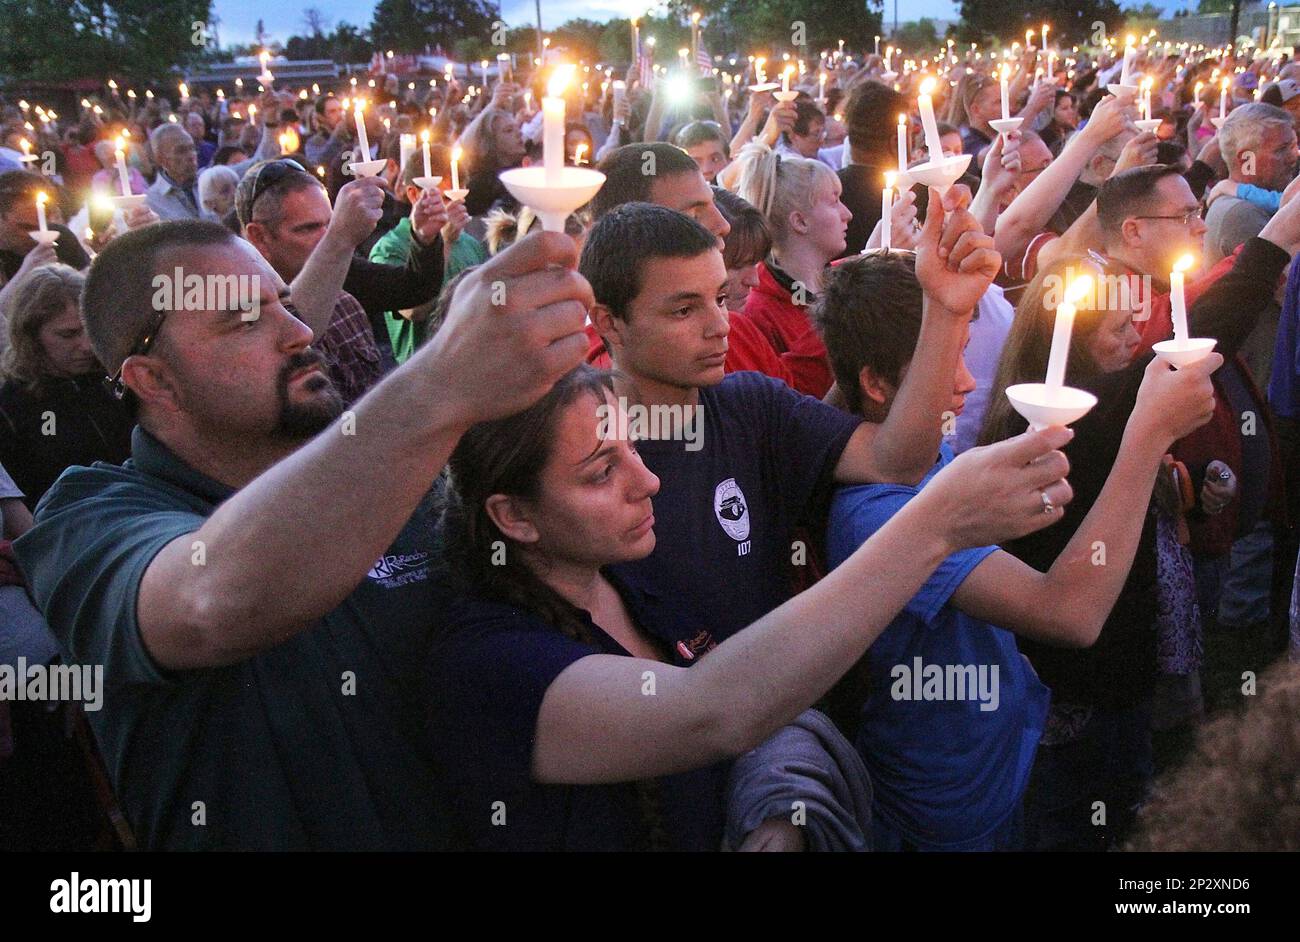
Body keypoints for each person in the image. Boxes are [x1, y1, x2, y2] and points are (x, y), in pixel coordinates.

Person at [13, 219, 598, 850]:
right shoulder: (88, 517)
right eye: (242, 320)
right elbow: (213, 603)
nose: (298, 333)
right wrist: (440, 382)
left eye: (286, 305)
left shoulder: (398, 471)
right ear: (152, 379)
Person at [427, 364, 1076, 850]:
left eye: (635, 448)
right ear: (513, 515)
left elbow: (766, 696)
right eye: (601, 472)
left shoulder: (631, 585)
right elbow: (713, 711)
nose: (647, 480)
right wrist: (935, 522)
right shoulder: (491, 663)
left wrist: (777, 811)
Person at [816, 249, 1217, 850]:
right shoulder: (878, 512)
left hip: (1001, 762)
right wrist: (1147, 433)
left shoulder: (925, 451)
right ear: (876, 383)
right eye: (945, 364)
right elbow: (1068, 613)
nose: (969, 382)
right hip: (951, 806)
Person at [979, 191, 1300, 847]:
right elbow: (1207, 326)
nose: (1137, 338)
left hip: (1124, 667)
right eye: (1118, 331)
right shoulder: (1073, 415)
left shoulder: (1083, 408)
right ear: (1062, 339)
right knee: (1097, 820)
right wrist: (1277, 236)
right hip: (1089, 687)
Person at [581, 188, 1000, 645]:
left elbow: (896, 460)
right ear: (609, 323)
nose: (719, 324)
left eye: (720, 299)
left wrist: (946, 309)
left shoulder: (752, 407)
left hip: (790, 706)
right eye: (684, 309)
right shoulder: (578, 453)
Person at [235, 157, 449, 377]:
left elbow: (415, 288)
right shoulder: (238, 308)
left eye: (331, 223)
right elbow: (290, 336)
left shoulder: (346, 276)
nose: (326, 236)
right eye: (308, 228)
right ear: (259, 236)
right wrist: (341, 237)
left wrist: (424, 238)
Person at [0, 264, 132, 509]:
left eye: (88, 330)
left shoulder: (121, 376)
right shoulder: (11, 408)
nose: (86, 346)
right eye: (68, 334)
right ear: (32, 335)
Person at [733, 140, 852, 397]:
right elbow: (790, 401)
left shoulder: (843, 279)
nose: (847, 214)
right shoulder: (759, 313)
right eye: (834, 202)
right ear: (800, 221)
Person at [369, 153, 483, 364]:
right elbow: (414, 311)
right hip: (423, 373)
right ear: (414, 195)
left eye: (459, 199)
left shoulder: (471, 244)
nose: (454, 209)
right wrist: (444, 242)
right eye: (446, 199)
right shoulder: (389, 248)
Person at [1203, 102, 1297, 269]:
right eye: (1281, 150)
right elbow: (1285, 286)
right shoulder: (1242, 214)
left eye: (1293, 147)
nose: (1293, 158)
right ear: (1246, 160)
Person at [0, 171, 91, 280]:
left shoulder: (59, 237)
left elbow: (92, 288)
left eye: (43, 226)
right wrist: (25, 273)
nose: (36, 236)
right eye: (26, 227)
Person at [145, 124, 213, 222]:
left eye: (192, 148)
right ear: (161, 159)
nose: (191, 156)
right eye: (181, 151)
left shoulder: (210, 182)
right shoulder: (152, 202)